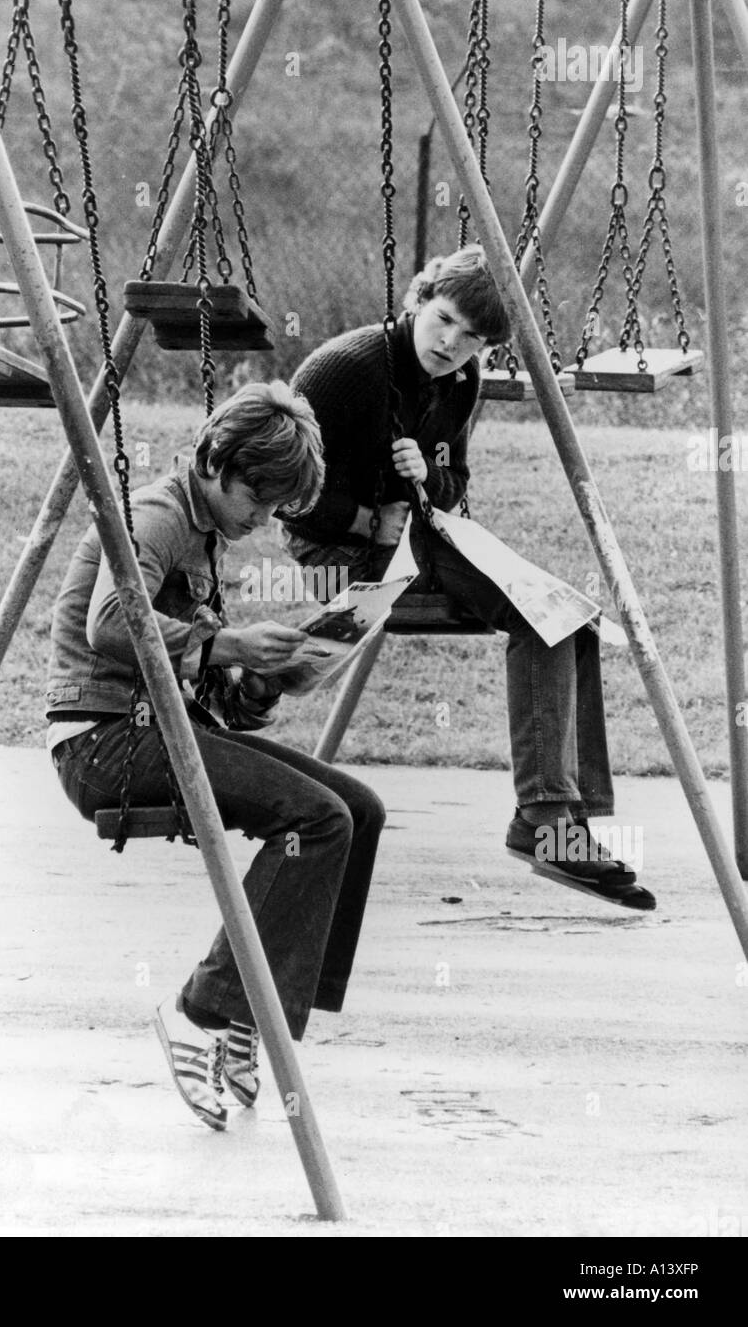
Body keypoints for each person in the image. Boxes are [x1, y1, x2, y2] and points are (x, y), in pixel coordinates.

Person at [45, 381, 386, 1131]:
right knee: (316, 816)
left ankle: (253, 1011)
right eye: (258, 503)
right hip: (103, 741)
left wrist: (267, 678)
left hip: (161, 728)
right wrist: (226, 643)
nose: (261, 522)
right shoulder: (159, 514)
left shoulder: (203, 533)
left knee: (357, 810)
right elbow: (110, 624)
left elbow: (208, 690)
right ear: (215, 463)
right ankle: (210, 1011)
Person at [281, 246, 655, 912]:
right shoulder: (345, 370)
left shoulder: (461, 379)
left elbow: (454, 486)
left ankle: (551, 821)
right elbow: (281, 493)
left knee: (560, 613)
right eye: (445, 320)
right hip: (336, 552)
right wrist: (368, 520)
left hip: (421, 538)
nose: (451, 344)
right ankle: (547, 820)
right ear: (419, 300)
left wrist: (429, 475)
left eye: (472, 337)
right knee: (542, 611)